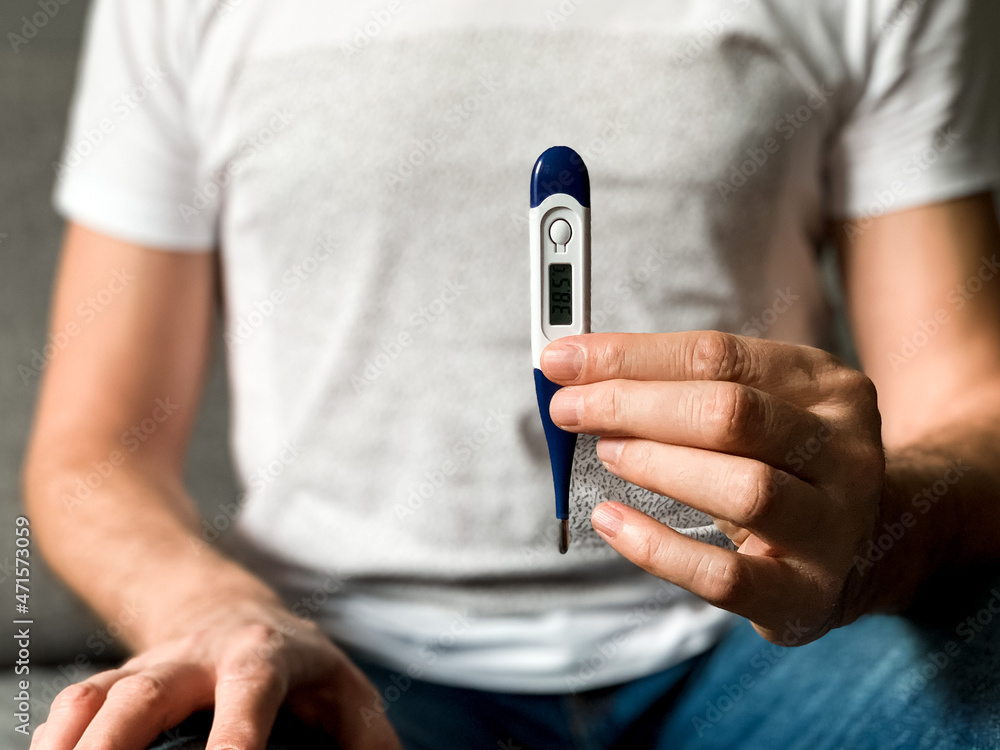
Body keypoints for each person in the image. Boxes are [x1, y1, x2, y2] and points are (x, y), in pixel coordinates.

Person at [22, 0, 1000, 747]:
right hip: (349, 655)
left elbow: (970, 406)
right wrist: (209, 609)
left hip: (760, 648)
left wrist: (878, 522)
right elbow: (92, 452)